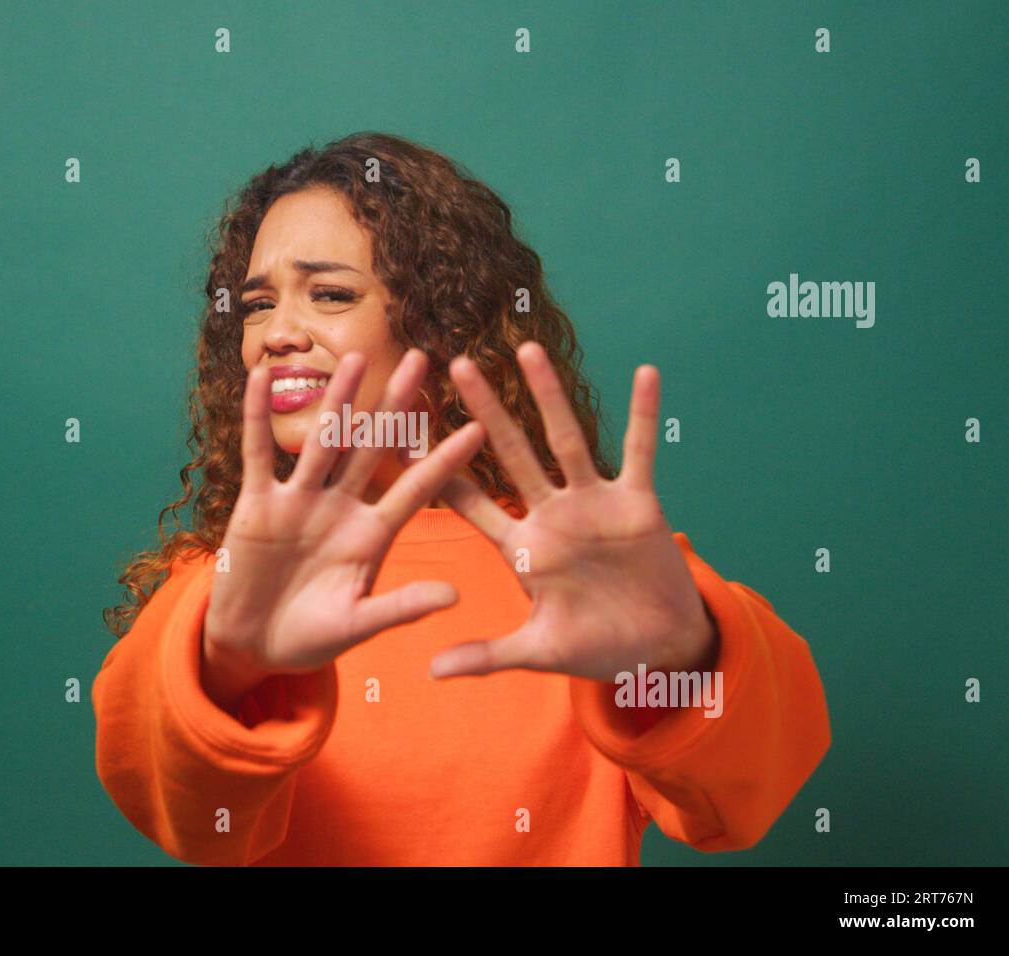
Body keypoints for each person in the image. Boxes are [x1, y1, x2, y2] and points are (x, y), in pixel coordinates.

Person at [93, 131, 831, 866]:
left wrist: (684, 653)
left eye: (330, 294)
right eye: (256, 305)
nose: (276, 334)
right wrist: (226, 664)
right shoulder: (221, 590)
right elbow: (184, 811)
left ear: (440, 321)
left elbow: (747, 791)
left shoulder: (578, 569)